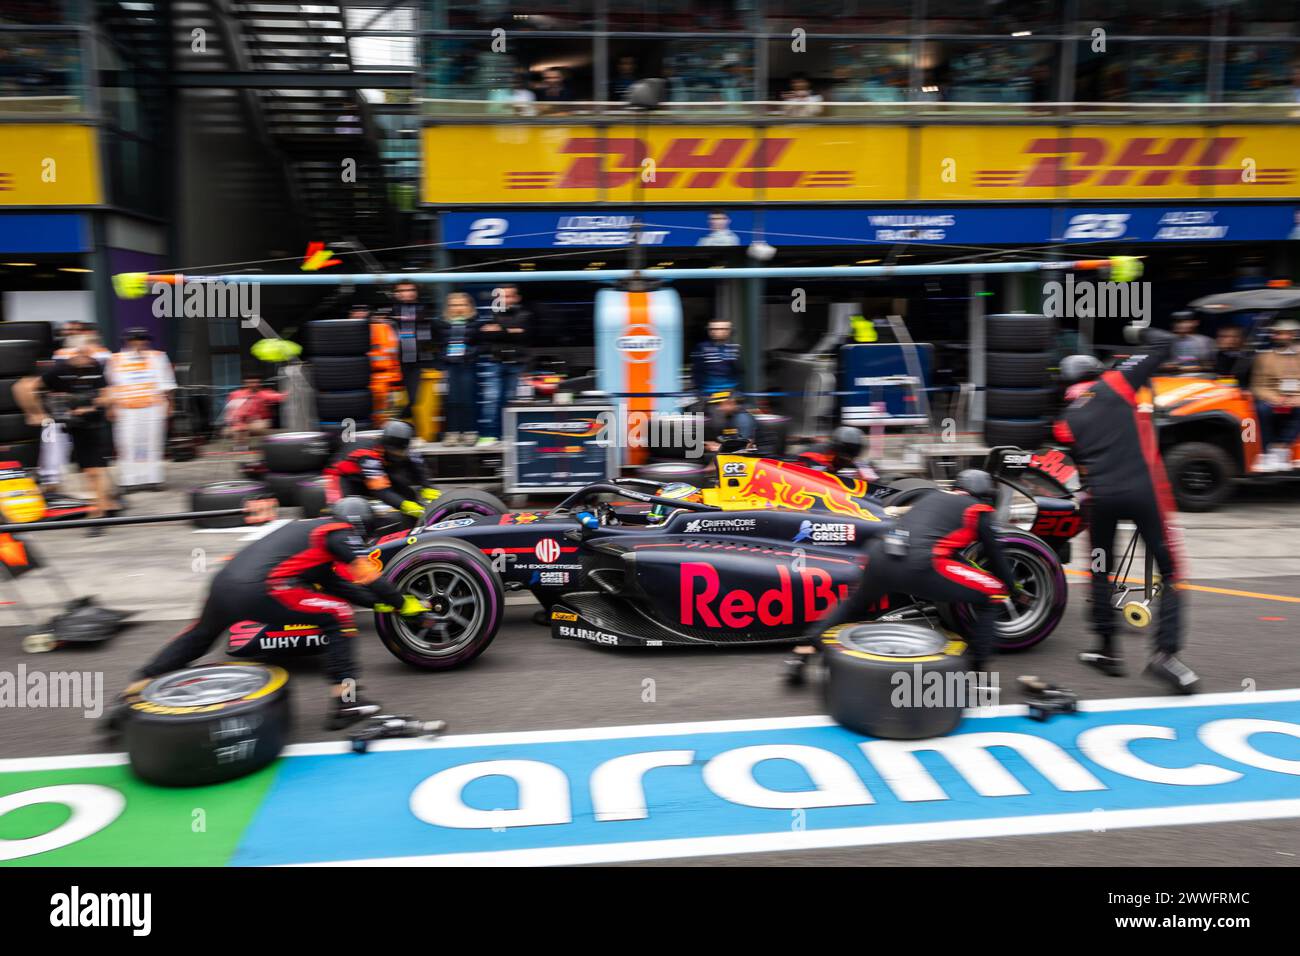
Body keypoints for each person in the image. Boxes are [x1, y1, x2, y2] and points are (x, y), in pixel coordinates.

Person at [117, 498, 434, 730]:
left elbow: (336, 584)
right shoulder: (339, 531)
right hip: (262, 587)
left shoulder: (305, 530)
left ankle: (134, 690)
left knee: (199, 637)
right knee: (337, 615)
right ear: (358, 525)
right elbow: (366, 575)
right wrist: (404, 604)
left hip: (224, 583)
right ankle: (346, 704)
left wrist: (382, 604)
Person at [1056, 326, 1199, 693]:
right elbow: (1164, 344)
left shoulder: (1065, 423)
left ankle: (1106, 649)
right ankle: (1165, 655)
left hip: (1102, 499)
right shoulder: (1116, 383)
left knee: (1100, 571)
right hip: (1143, 494)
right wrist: (1136, 331)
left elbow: (1080, 465)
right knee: (1172, 574)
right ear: (1093, 372)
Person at [785, 470, 1021, 681]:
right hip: (920, 565)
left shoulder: (930, 497)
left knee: (853, 605)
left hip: (879, 557)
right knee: (993, 594)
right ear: (983, 494)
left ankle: (803, 651)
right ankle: (976, 670)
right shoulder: (978, 510)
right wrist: (1014, 589)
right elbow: (996, 555)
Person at [13, 337, 118, 535]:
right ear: (73, 353)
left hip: (95, 424)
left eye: (88, 354)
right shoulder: (60, 370)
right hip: (74, 427)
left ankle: (99, 513)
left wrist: (91, 406)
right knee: (91, 470)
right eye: (81, 354)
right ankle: (107, 504)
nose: (85, 358)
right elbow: (22, 387)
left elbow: (107, 394)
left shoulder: (96, 366)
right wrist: (35, 412)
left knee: (95, 470)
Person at [105, 327, 175, 493]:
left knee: (153, 442)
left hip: (153, 407)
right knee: (127, 443)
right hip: (125, 409)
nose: (140, 342)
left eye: (143, 339)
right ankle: (129, 480)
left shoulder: (158, 356)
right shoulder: (115, 359)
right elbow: (110, 385)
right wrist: (110, 407)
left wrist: (171, 404)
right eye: (135, 339)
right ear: (127, 341)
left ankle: (154, 479)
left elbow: (167, 383)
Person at [323, 419, 434, 524]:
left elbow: (420, 467)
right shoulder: (367, 455)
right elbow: (381, 491)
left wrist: (428, 487)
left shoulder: (406, 447)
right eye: (393, 451)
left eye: (400, 451)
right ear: (385, 445)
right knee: (343, 511)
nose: (397, 454)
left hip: (372, 474)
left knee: (408, 495)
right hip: (342, 477)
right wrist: (405, 505)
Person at [475, 284, 532, 446]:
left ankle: (509, 435)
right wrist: (511, 331)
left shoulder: (525, 315)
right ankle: (490, 435)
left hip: (517, 363)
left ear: (517, 298)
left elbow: (524, 335)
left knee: (510, 400)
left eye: (509, 296)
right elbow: (485, 335)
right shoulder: (492, 314)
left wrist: (499, 330)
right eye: (502, 296)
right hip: (496, 362)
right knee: (492, 399)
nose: (505, 300)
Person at [1250, 316, 1300, 471]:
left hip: (1297, 396)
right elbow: (1257, 385)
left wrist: (1298, 397)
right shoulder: (1264, 357)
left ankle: (1281, 448)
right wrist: (1273, 397)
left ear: (1293, 334)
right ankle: (1267, 453)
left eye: (1284, 333)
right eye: (1277, 333)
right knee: (1262, 409)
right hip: (1272, 396)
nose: (1280, 336)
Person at [434, 291, 480, 446]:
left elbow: (483, 345)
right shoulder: (441, 323)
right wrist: (442, 358)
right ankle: (452, 433)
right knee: (451, 401)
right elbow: (436, 345)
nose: (458, 308)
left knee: (467, 400)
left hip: (467, 365)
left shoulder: (476, 323)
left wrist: (470, 354)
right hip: (449, 367)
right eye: (454, 305)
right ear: (448, 307)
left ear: (468, 306)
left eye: (461, 304)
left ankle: (469, 432)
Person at [390, 281, 434, 421]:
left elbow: (434, 332)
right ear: (396, 293)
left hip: (422, 359)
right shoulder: (392, 311)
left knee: (417, 398)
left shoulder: (426, 308)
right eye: (402, 290)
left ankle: (400, 422)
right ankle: (401, 424)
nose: (406, 293)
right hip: (399, 361)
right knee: (404, 397)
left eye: (410, 289)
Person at [797, 425, 880, 483]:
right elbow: (815, 482)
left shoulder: (848, 459)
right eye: (849, 450)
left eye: (854, 450)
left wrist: (870, 472)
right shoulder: (815, 456)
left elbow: (869, 474)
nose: (850, 457)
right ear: (837, 447)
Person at [222, 374, 285, 449]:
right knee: (237, 427)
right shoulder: (236, 394)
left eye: (255, 382)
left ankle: (242, 444)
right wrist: (238, 421)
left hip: (258, 422)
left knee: (253, 426)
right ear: (245, 383)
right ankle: (240, 445)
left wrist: (287, 393)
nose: (253, 385)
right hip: (239, 421)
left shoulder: (264, 394)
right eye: (250, 382)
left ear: (259, 383)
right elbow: (231, 412)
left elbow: (278, 397)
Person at [691, 318, 743, 395]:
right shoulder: (702, 347)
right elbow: (697, 370)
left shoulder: (735, 348)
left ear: (729, 331)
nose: (716, 331)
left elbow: (741, 371)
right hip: (707, 393)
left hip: (730, 392)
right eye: (712, 329)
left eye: (722, 329)